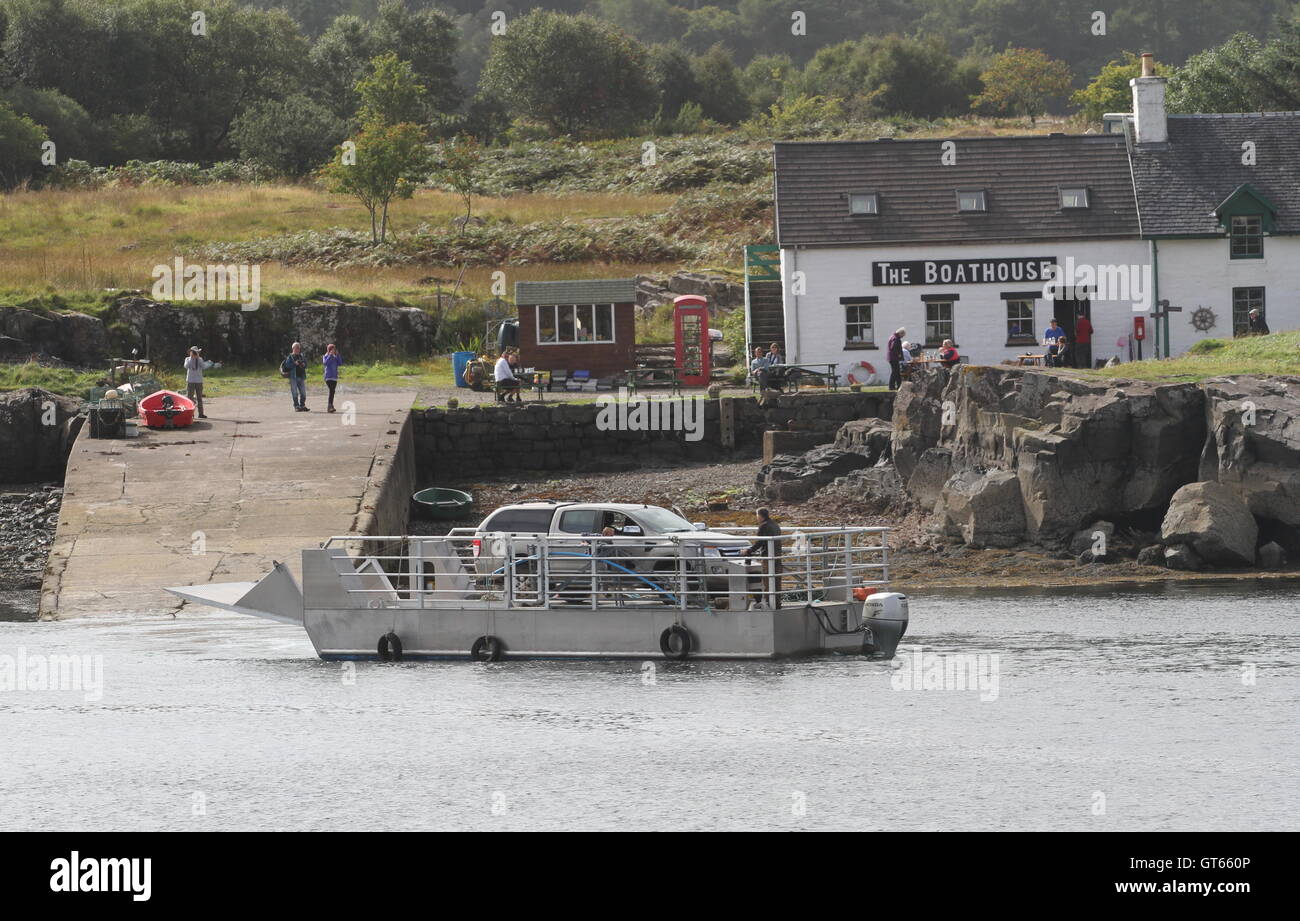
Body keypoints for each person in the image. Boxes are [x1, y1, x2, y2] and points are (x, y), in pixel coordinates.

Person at [743, 507, 783, 609]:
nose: (757, 518)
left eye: (757, 516)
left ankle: (769, 603)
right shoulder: (775, 525)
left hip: (768, 557)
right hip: (778, 556)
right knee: (777, 580)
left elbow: (759, 542)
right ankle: (777, 602)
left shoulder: (763, 526)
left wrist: (748, 551)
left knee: (767, 581)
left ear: (760, 516)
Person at [281, 342, 309, 411]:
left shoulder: (301, 356)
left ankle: (302, 405)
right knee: (295, 393)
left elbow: (306, 365)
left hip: (301, 377)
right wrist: (294, 363)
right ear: (293, 348)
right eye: (296, 348)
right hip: (293, 377)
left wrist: (303, 364)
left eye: (298, 348)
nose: (297, 349)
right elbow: (287, 366)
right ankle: (296, 406)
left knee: (303, 393)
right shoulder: (290, 357)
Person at [183, 345, 207, 419]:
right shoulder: (187, 359)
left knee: (199, 397)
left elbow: (204, 367)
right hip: (190, 380)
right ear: (190, 352)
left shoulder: (200, 359)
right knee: (190, 397)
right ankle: (190, 414)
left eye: (196, 352)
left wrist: (198, 358)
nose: (194, 354)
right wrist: (191, 358)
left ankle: (201, 413)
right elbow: (186, 366)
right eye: (193, 352)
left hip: (199, 380)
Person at [322, 343, 343, 413]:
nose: (334, 350)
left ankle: (330, 406)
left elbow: (340, 363)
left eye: (334, 349)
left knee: (332, 391)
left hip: (334, 377)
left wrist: (338, 355)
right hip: (328, 377)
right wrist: (330, 355)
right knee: (331, 391)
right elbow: (325, 363)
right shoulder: (325, 356)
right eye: (332, 349)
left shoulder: (335, 357)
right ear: (329, 350)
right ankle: (330, 406)